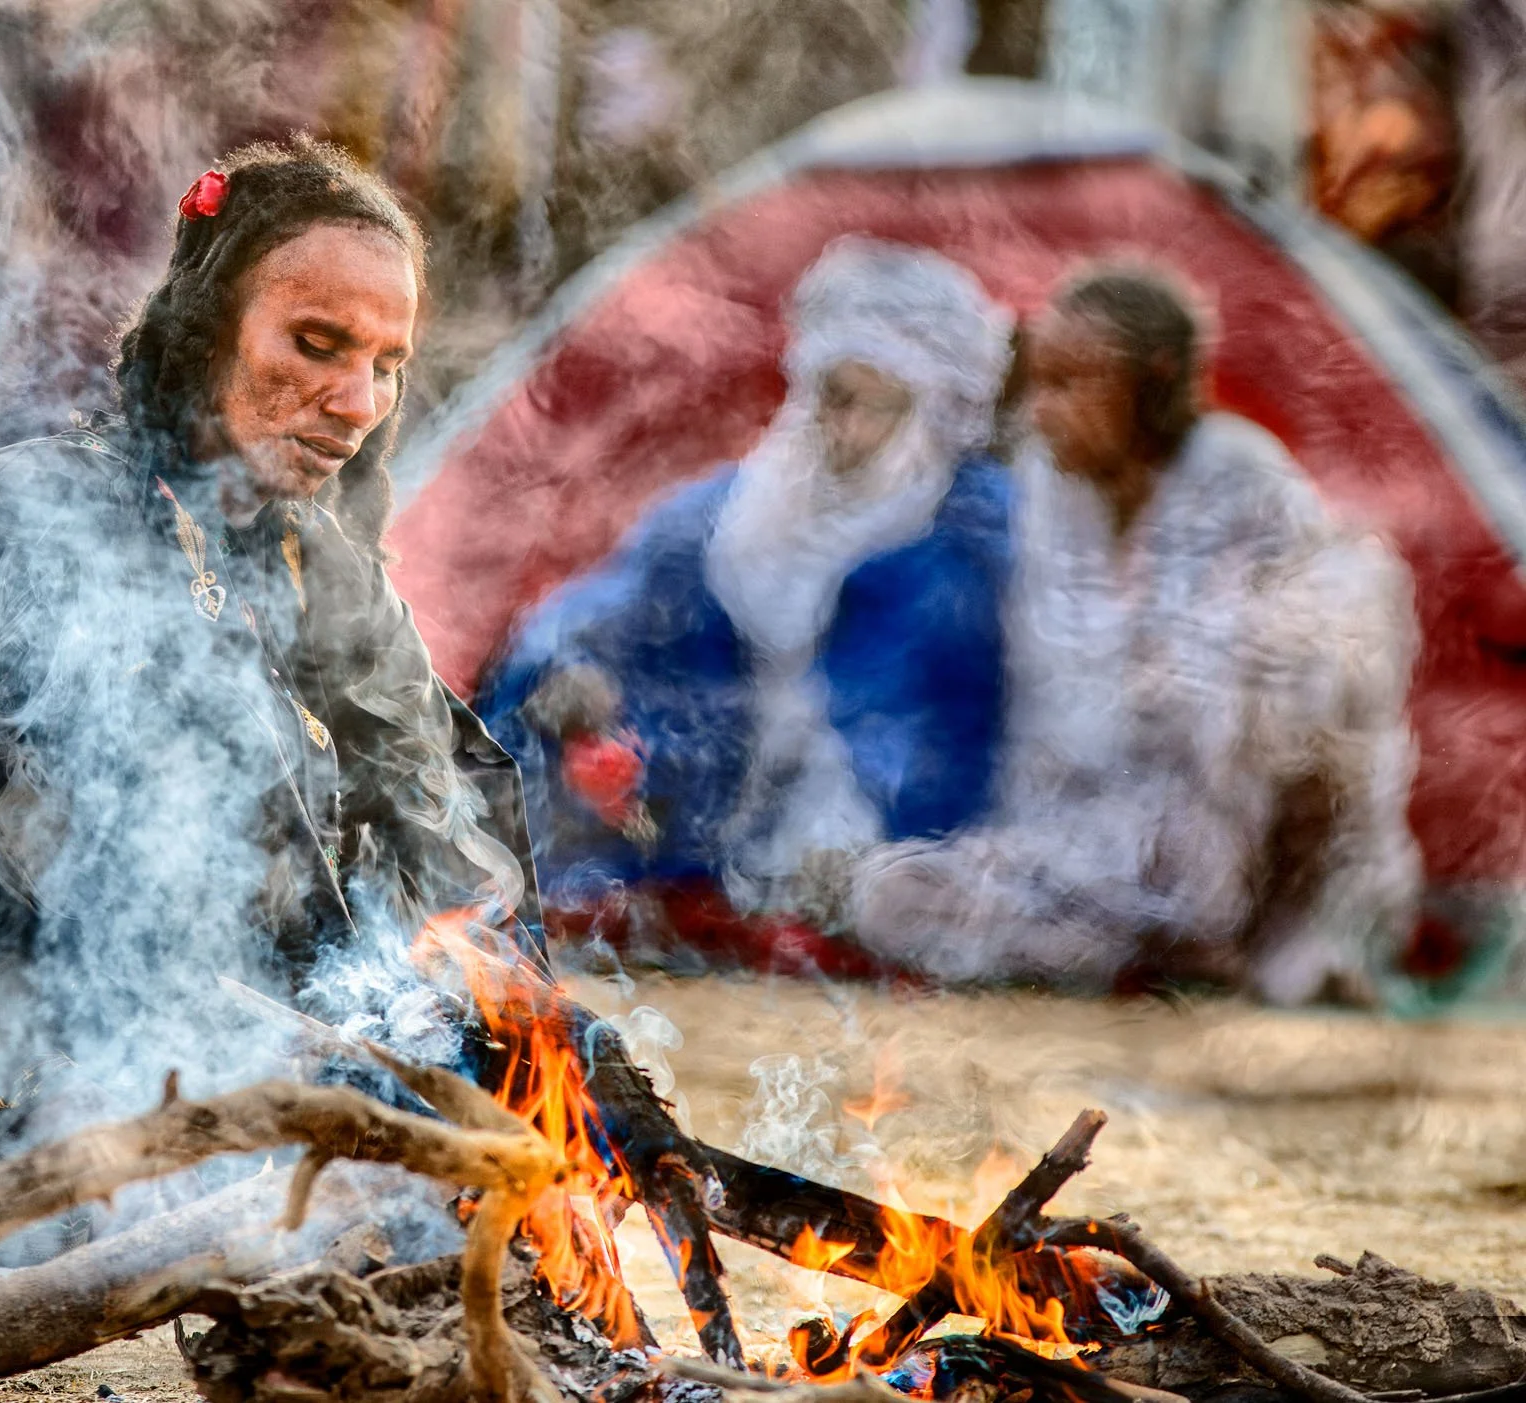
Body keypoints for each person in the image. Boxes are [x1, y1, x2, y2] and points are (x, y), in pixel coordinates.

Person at [0, 138, 542, 1227]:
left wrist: (503, 1028)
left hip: (134, 1029)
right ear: (203, 334)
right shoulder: (25, 527)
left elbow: (437, 803)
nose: (357, 397)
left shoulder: (309, 560)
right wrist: (225, 1064)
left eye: (385, 363)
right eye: (317, 343)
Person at [830, 267, 1419, 1002]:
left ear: (1153, 381)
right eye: (1037, 386)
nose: (1041, 413)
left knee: (1306, 638)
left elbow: (1320, 676)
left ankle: (1252, 940)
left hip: (1234, 830)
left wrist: (1207, 685)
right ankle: (1154, 953)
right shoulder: (1049, 484)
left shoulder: (1240, 475)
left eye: (1070, 384)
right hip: (1097, 835)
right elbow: (1051, 697)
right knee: (888, 896)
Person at [481, 240, 1014, 956]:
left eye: (879, 407)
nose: (846, 428)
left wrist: (849, 822)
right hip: (697, 819)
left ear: (933, 411)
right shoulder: (728, 514)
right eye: (835, 395)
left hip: (879, 845)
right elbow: (608, 606)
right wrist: (569, 666)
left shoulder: (970, 538)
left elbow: (954, 734)